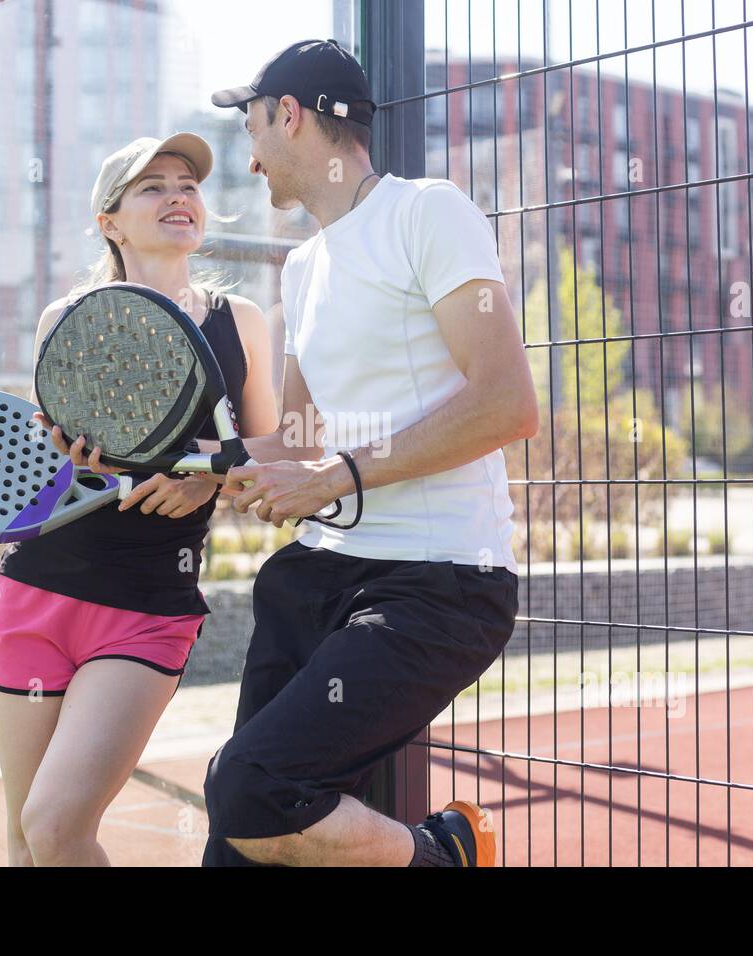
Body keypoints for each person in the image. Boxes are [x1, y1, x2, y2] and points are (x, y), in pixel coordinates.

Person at [0, 134, 278, 866]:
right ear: (109, 222)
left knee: (56, 826)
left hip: (147, 608)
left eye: (187, 184)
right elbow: (44, 452)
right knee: (27, 844)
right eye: (153, 187)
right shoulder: (66, 318)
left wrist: (208, 476)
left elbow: (271, 457)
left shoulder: (238, 322)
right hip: (36, 593)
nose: (179, 195)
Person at [203, 39, 538, 866]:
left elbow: (507, 403)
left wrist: (338, 476)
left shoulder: (429, 212)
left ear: (289, 115)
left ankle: (442, 856)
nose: (248, 158)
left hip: (438, 584)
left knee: (251, 787)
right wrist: (193, 465)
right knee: (240, 831)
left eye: (251, 126)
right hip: (319, 574)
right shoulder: (304, 267)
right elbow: (300, 440)